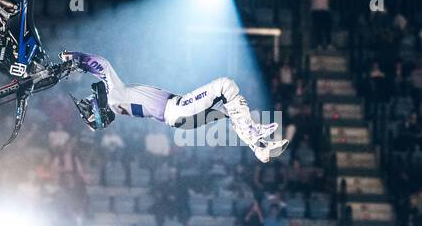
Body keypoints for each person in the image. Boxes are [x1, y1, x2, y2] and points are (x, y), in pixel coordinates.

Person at [59, 50, 288, 163]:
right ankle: (254, 140)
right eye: (88, 104)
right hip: (177, 111)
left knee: (229, 107)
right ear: (98, 110)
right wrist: (76, 57)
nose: (89, 99)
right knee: (224, 85)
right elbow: (103, 66)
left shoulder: (116, 101)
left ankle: (258, 145)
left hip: (179, 117)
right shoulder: (115, 98)